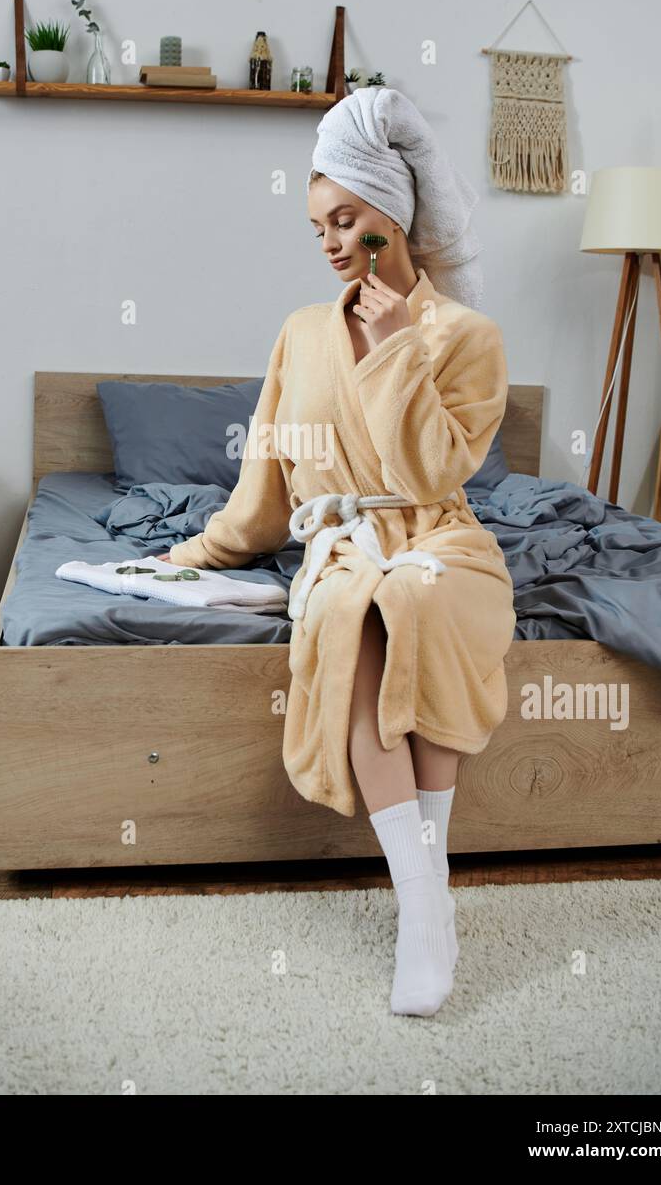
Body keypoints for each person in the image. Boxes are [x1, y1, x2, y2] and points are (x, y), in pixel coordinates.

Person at [158, 88, 517, 1018]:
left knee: (426, 605)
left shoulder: (466, 338)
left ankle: (423, 906)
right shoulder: (301, 334)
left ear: (388, 221)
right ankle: (425, 904)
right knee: (356, 616)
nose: (327, 242)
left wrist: (399, 349)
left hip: (436, 533)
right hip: (342, 544)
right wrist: (207, 549)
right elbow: (271, 476)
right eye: (316, 224)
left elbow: (435, 466)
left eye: (344, 220)